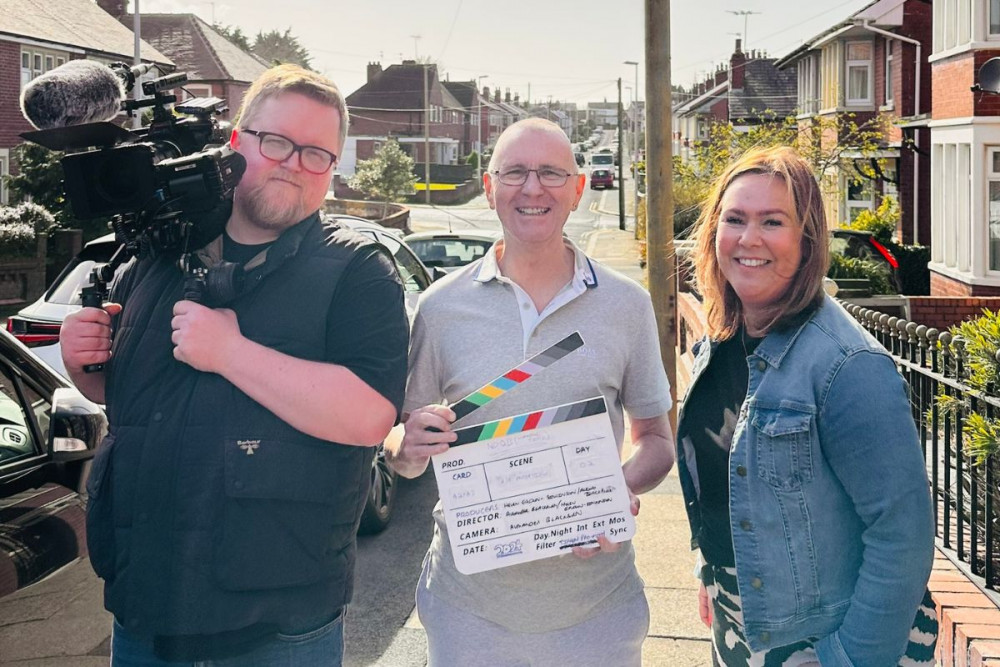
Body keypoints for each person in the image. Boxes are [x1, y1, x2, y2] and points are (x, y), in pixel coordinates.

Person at [60, 64, 409, 665]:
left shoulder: (355, 272)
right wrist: (85, 364)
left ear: (332, 170)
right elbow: (127, 399)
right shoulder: (155, 252)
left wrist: (232, 353)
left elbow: (369, 417)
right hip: (145, 610)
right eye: (275, 142)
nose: (293, 164)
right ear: (235, 141)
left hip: (277, 627)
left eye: (317, 154)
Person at [388, 118, 675, 667]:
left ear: (577, 189)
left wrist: (613, 490)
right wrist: (405, 447)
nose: (533, 187)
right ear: (489, 186)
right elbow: (405, 451)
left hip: (598, 609)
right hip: (467, 607)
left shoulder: (627, 305)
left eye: (550, 173)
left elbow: (656, 440)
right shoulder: (441, 308)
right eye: (515, 172)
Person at [679, 145, 937, 666]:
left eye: (773, 221)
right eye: (735, 219)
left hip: (829, 639)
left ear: (807, 239)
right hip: (746, 624)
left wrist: (848, 658)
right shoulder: (725, 341)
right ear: (714, 234)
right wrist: (714, 574)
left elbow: (902, 534)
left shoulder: (847, 363)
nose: (749, 239)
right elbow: (729, 488)